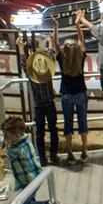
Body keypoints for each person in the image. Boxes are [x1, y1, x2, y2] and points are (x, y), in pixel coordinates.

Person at [1, 116, 50, 204]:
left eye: (6, 136)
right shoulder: (24, 140)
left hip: (30, 181)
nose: (5, 139)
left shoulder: (17, 149)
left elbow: (10, 153)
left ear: (16, 135)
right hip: (31, 178)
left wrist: (5, 148)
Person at [17, 30, 59, 166]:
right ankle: (53, 155)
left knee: (40, 133)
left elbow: (23, 63)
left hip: (38, 106)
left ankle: (42, 158)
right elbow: (51, 54)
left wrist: (21, 48)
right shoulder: (48, 73)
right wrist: (51, 40)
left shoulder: (32, 75)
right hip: (49, 104)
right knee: (53, 130)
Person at [61, 13, 89, 163]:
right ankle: (84, 150)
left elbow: (54, 44)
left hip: (66, 95)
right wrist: (78, 24)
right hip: (80, 94)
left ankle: (70, 152)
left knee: (68, 123)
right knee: (82, 122)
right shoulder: (80, 58)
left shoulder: (62, 60)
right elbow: (82, 40)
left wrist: (56, 29)